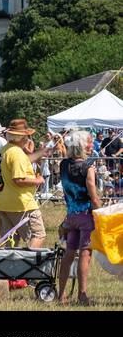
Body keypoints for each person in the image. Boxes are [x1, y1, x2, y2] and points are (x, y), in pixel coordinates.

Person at [57, 129, 101, 305]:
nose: (91, 145)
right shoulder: (88, 167)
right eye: (89, 142)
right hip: (86, 216)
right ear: (82, 146)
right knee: (85, 254)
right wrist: (101, 213)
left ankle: (61, 295)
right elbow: (94, 196)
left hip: (70, 217)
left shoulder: (63, 165)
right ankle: (82, 295)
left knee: (68, 255)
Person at [0, 119, 45, 251]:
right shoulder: (17, 153)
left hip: (3, 202)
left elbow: (22, 164)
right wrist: (38, 180)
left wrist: (40, 153)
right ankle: (30, 267)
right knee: (37, 234)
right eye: (27, 135)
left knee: (10, 240)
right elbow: (19, 180)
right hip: (21, 203)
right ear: (22, 137)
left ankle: (7, 270)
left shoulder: (6, 150)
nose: (28, 138)